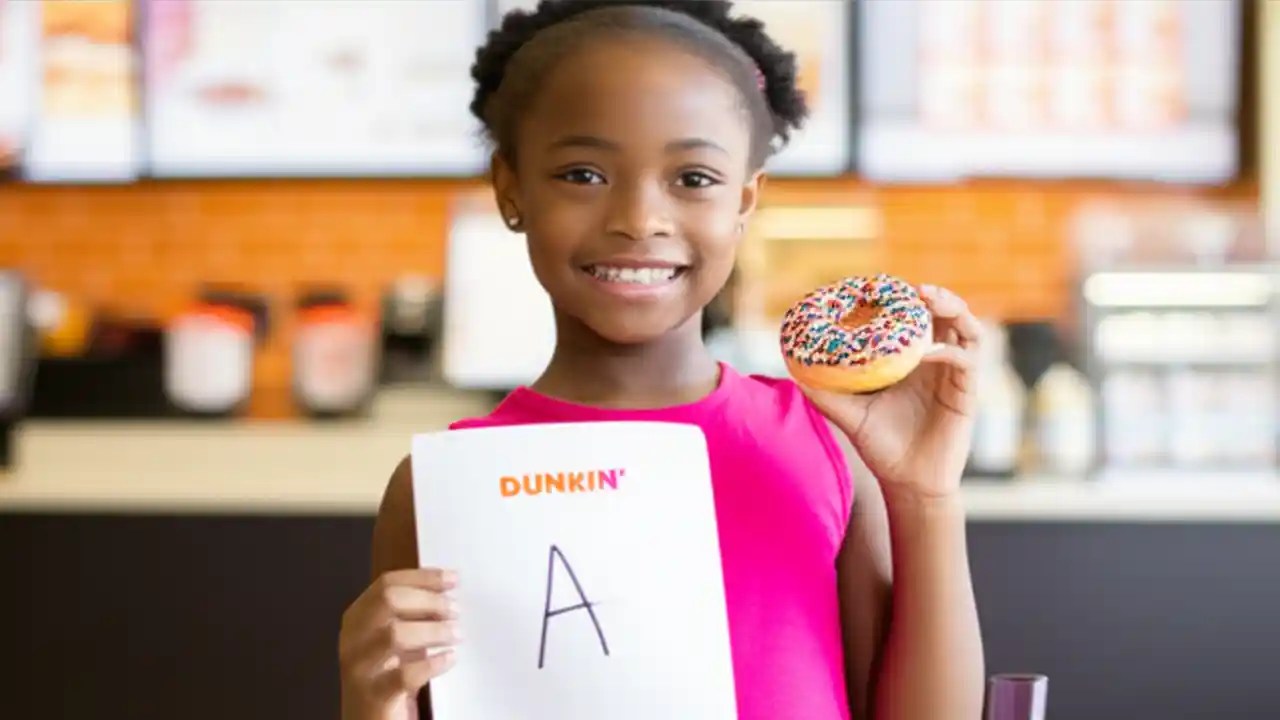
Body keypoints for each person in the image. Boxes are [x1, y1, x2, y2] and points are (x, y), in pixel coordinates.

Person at [338, 2, 985, 718]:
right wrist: (371, 704)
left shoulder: (824, 446)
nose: (639, 219)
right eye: (583, 174)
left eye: (694, 179)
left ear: (745, 201)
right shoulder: (445, 486)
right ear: (510, 188)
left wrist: (928, 499)